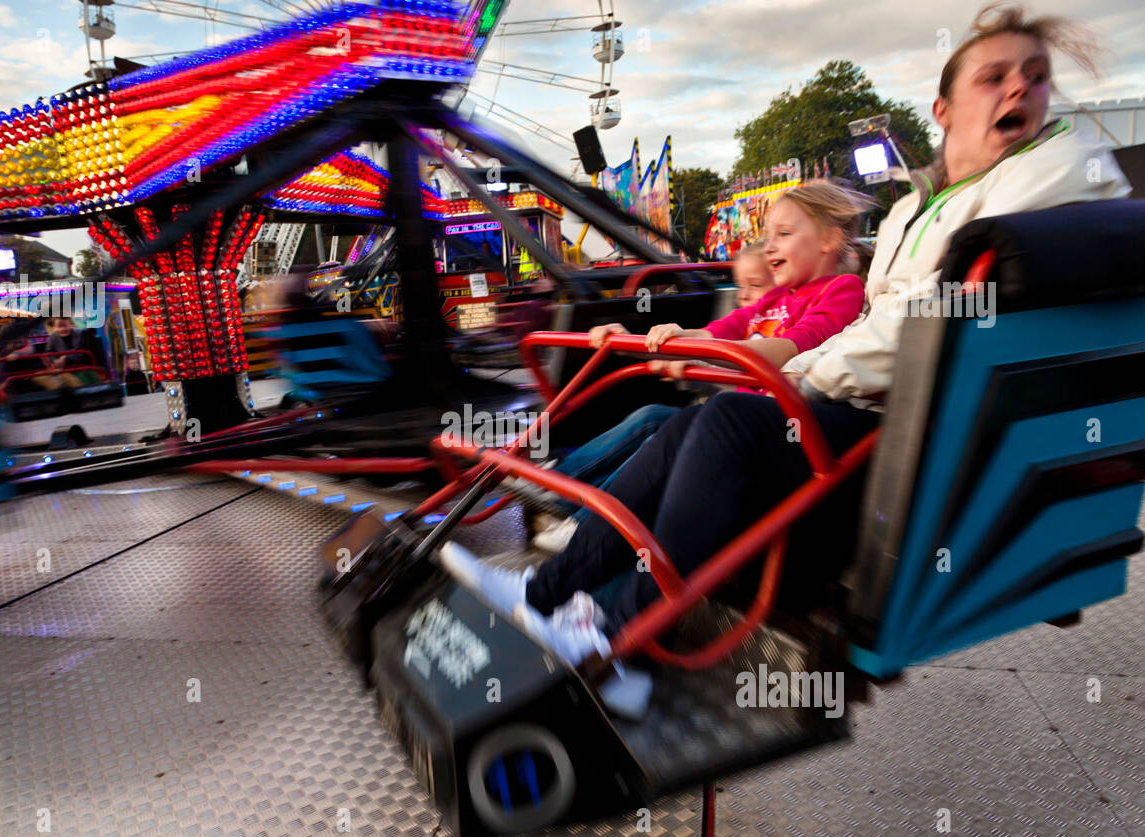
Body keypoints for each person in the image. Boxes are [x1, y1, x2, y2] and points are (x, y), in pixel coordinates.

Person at [443, 1, 1131, 718]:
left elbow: (902, 332)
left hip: (925, 438)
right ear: (944, 109)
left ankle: (616, 630)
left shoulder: (1046, 175)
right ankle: (550, 594)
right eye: (994, 77)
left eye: (1036, 76)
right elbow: (851, 326)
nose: (1020, 89)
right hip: (893, 408)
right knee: (687, 424)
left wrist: (790, 375)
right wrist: (724, 356)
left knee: (727, 426)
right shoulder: (919, 208)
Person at [533, 183, 869, 552]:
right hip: (735, 419)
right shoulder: (774, 298)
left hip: (780, 425)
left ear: (830, 240)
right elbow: (711, 334)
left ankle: (581, 519)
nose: (769, 245)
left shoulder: (842, 289)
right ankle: (559, 490)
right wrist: (636, 340)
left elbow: (797, 345)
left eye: (784, 234)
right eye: (768, 236)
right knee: (655, 418)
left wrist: (706, 347)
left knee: (660, 427)